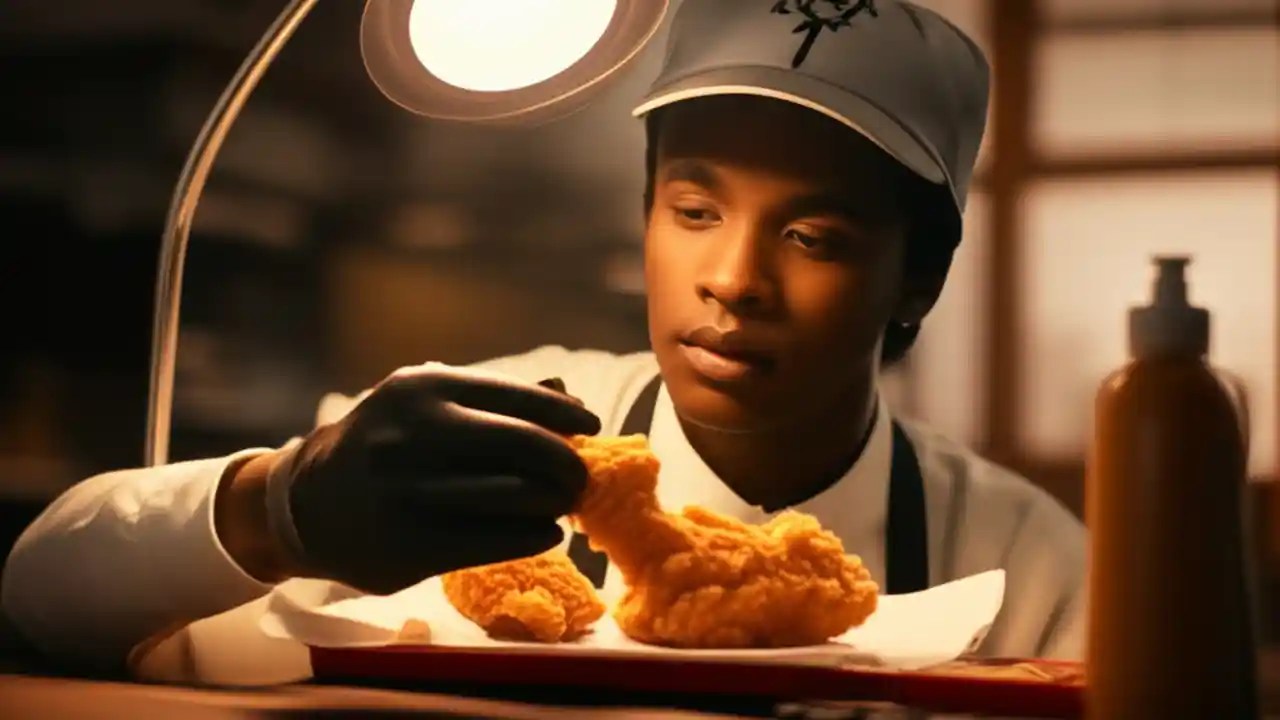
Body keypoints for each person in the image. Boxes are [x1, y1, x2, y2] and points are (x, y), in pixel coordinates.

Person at [1, 0, 1085, 686]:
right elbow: (45, 597)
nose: (733, 280)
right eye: (694, 209)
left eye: (812, 235)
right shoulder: (472, 431)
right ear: (646, 213)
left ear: (919, 277)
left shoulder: (1028, 559)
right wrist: (282, 508)